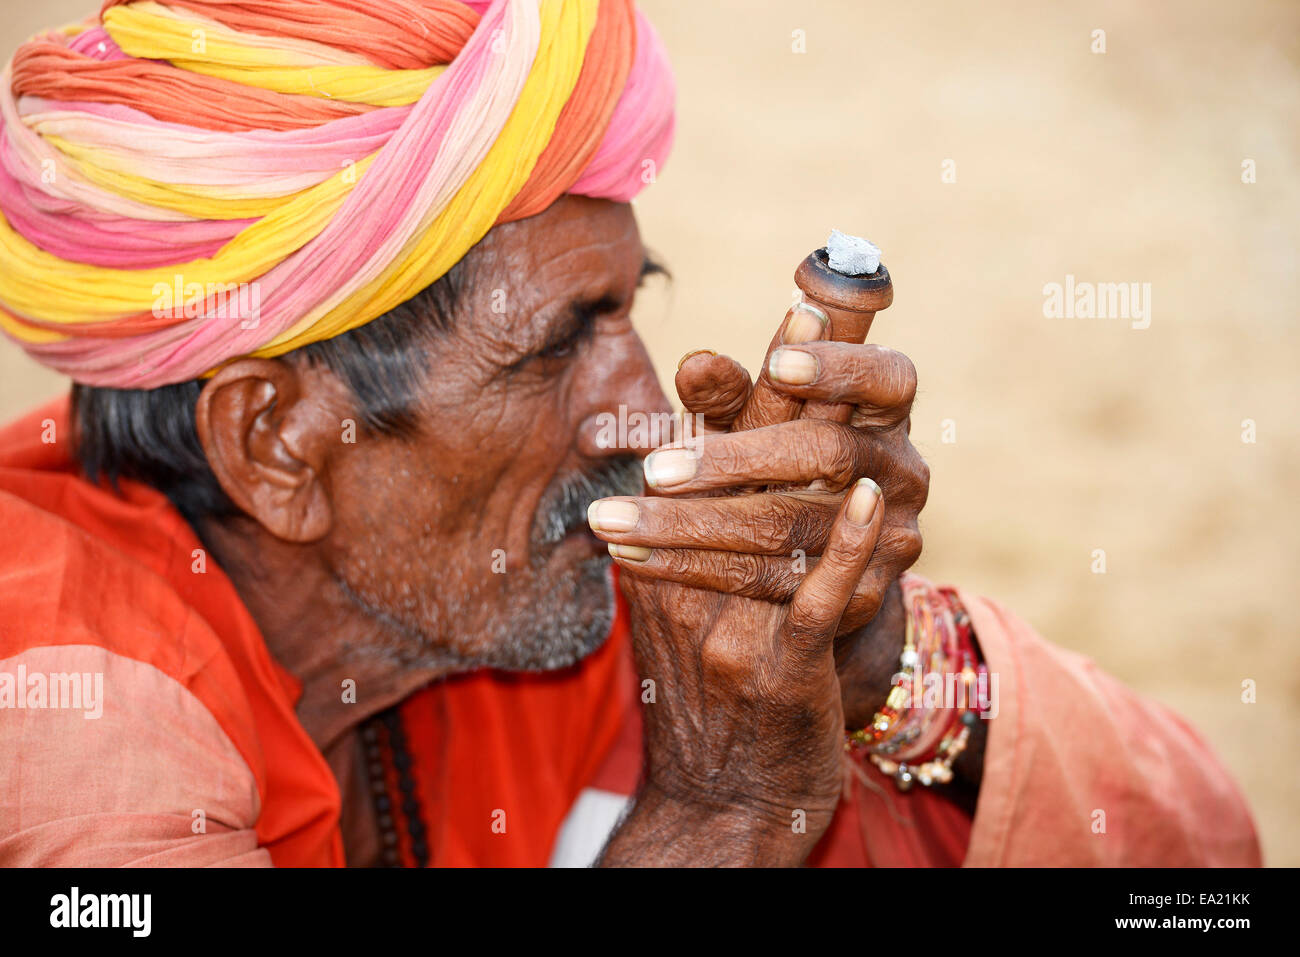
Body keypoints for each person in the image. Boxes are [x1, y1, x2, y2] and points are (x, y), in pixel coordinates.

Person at [0, 0, 1260, 867]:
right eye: (555, 347)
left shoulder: (528, 618)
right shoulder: (73, 721)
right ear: (274, 440)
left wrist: (873, 665)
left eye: (627, 311)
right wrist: (718, 815)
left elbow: (1198, 855)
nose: (647, 414)